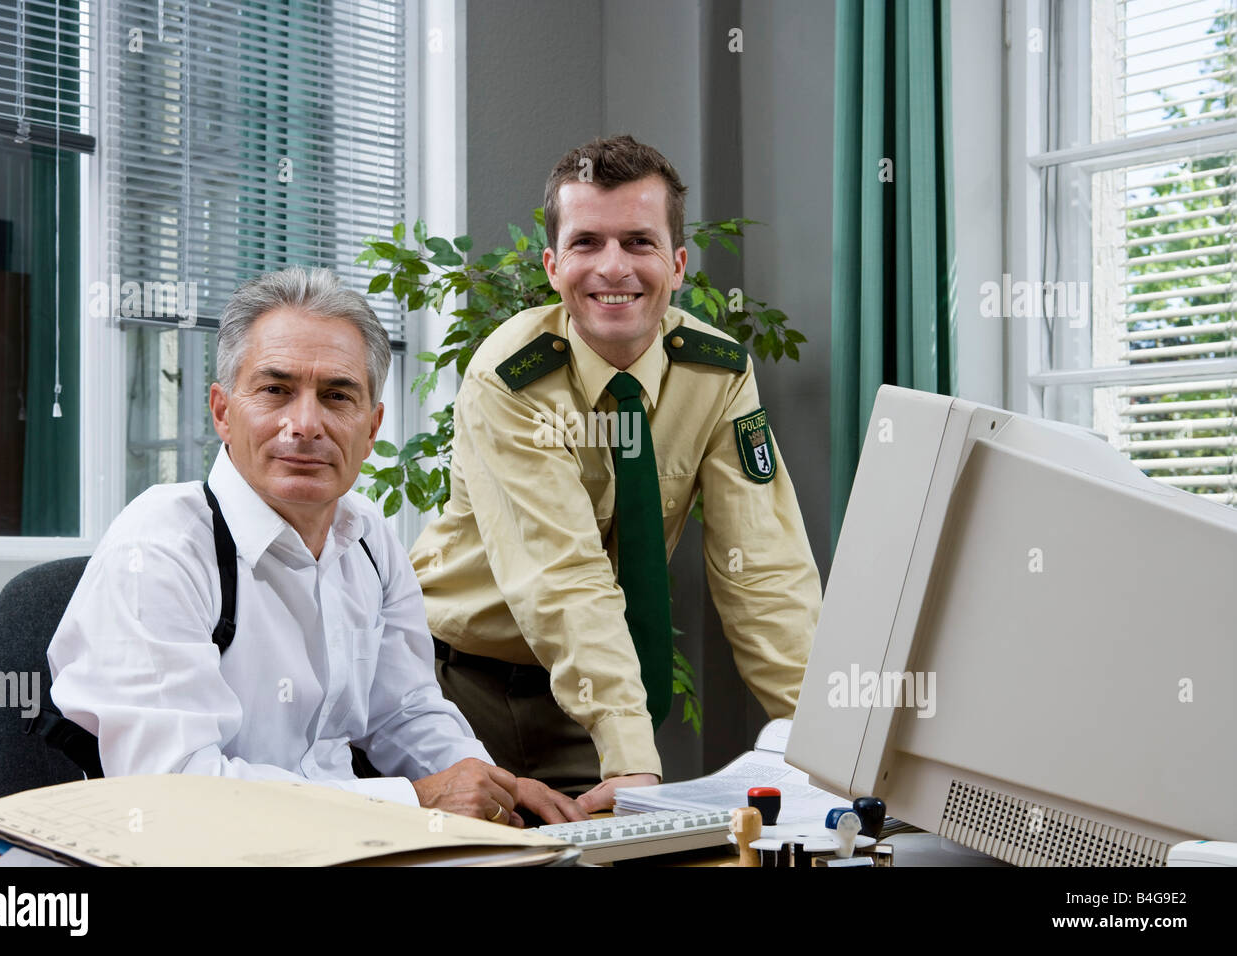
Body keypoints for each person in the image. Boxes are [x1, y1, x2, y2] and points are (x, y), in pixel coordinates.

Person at [48, 267, 584, 827]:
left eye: (336, 396)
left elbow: (405, 712)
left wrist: (488, 785)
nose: (305, 424)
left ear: (372, 427)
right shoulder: (162, 546)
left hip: (347, 846)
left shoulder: (369, 539)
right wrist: (415, 802)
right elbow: (175, 792)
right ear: (223, 411)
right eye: (276, 390)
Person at [410, 135, 823, 812]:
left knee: (616, 851)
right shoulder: (510, 377)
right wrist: (632, 754)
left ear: (678, 262)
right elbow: (562, 577)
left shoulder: (717, 374)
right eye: (586, 243)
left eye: (638, 241)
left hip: (573, 699)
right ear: (551, 265)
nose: (613, 268)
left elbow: (765, 570)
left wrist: (826, 740)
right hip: (453, 687)